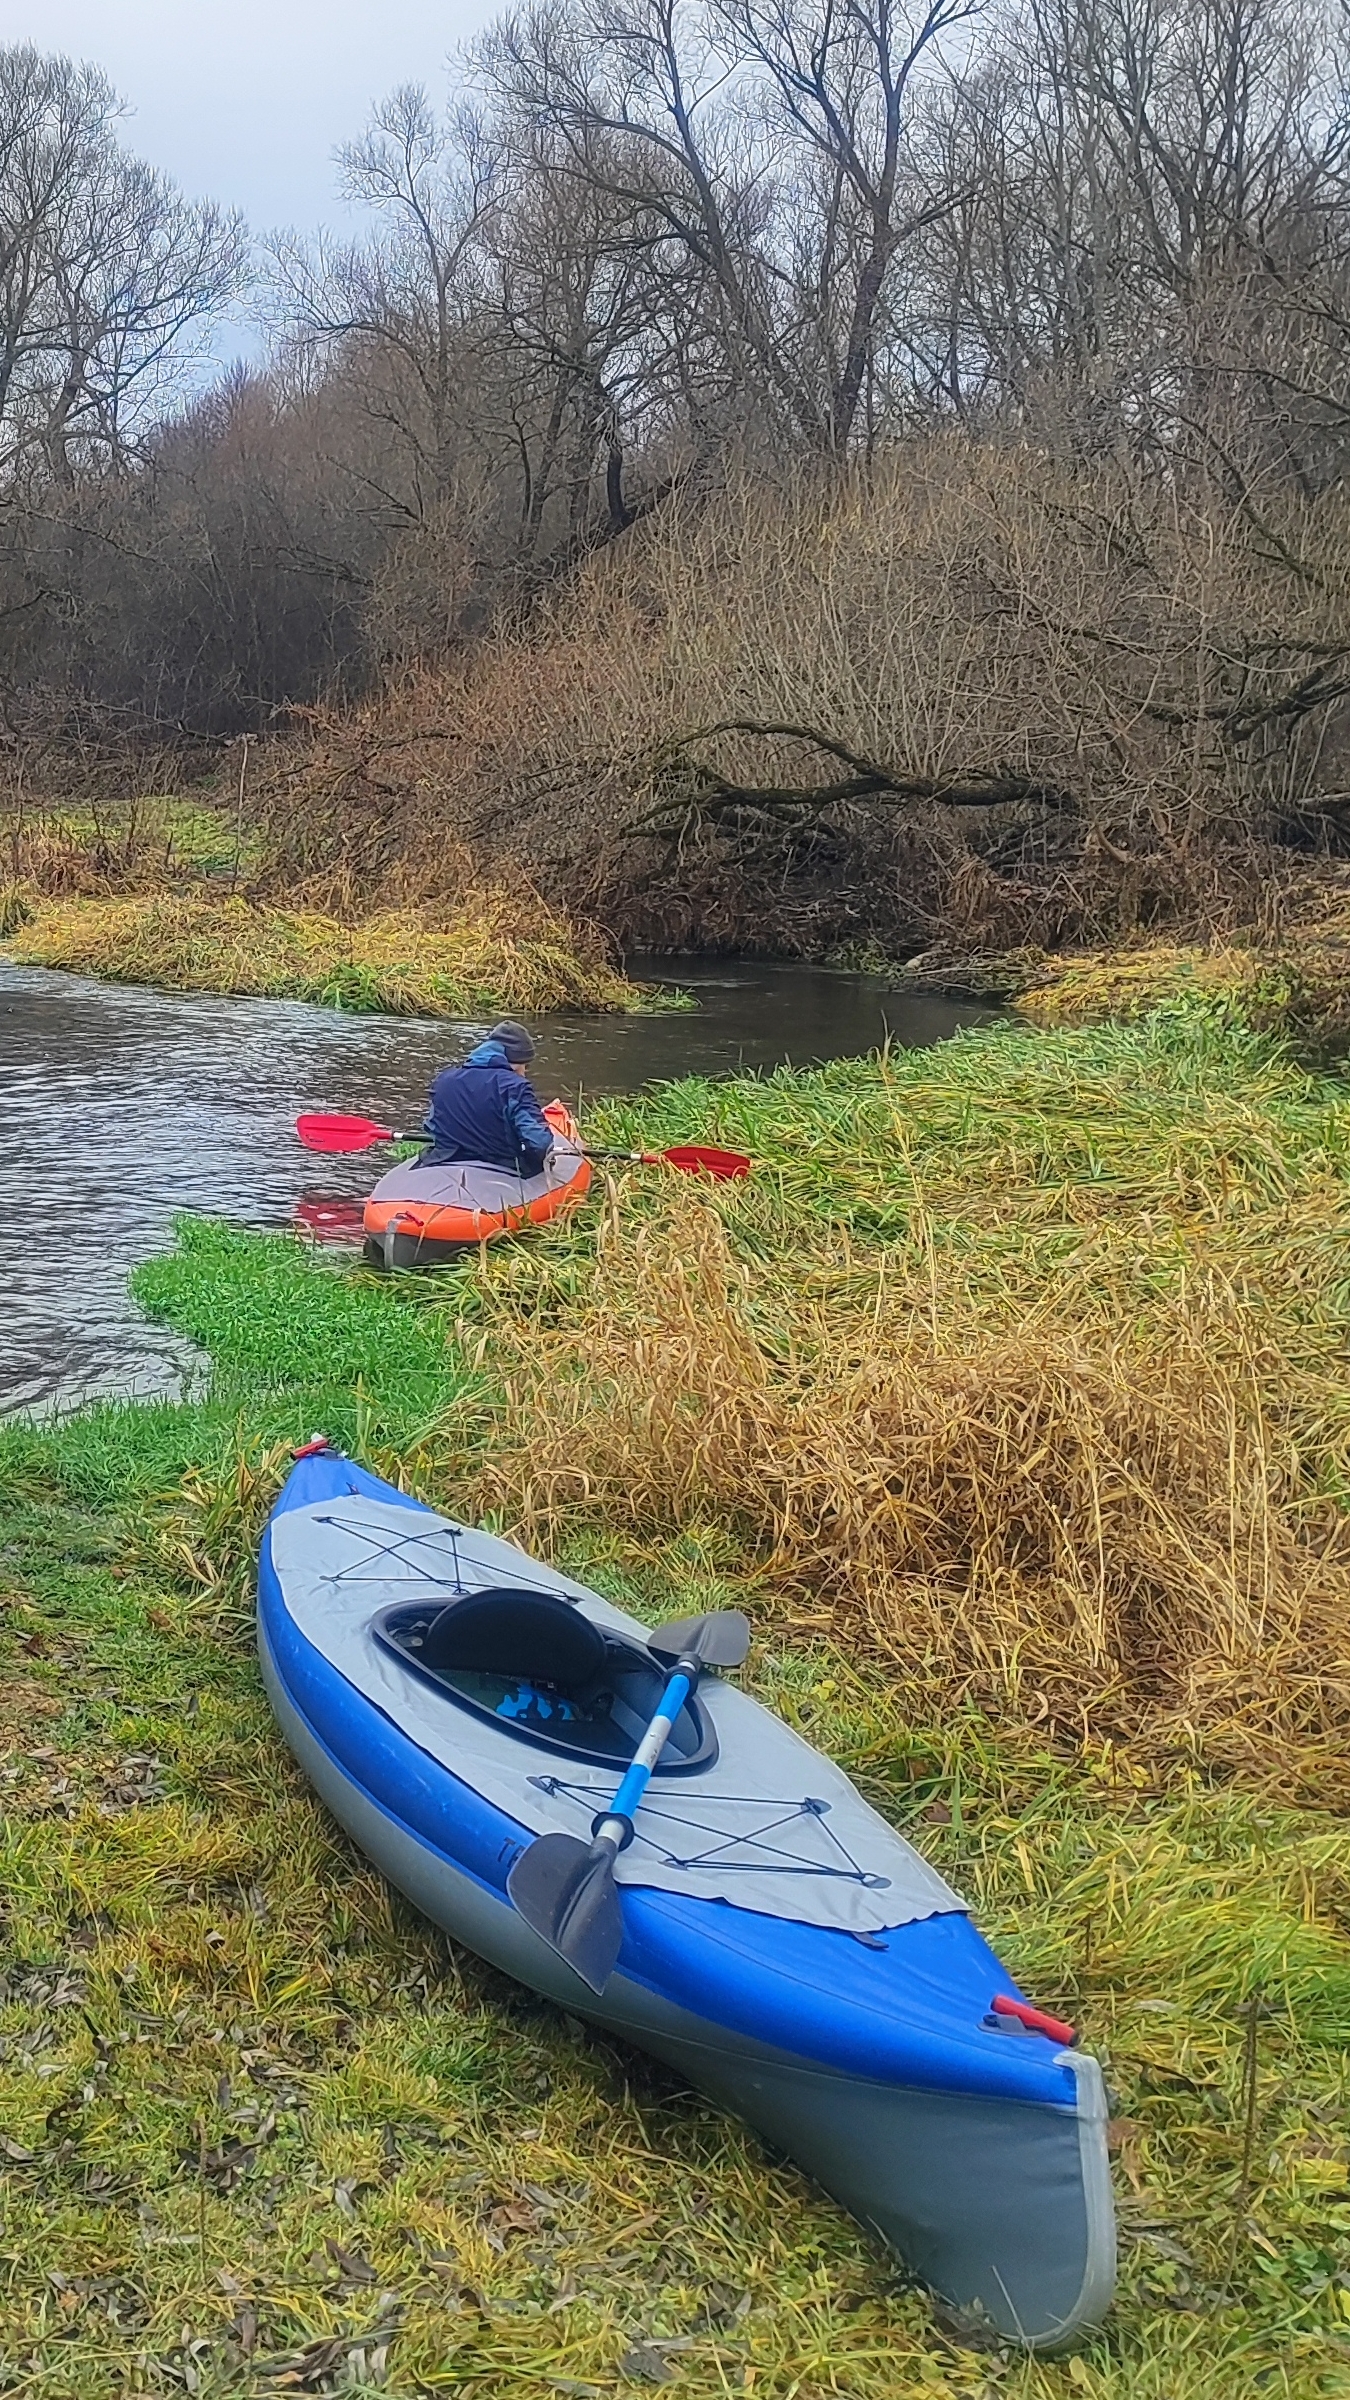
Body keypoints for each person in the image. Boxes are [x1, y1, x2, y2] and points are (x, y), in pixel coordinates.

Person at [415, 1020, 555, 1177]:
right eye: (525, 1066)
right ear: (517, 1063)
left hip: (444, 1161)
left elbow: (433, 1126)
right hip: (501, 1168)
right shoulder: (515, 1086)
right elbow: (540, 1143)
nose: (525, 1072)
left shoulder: (444, 1080)